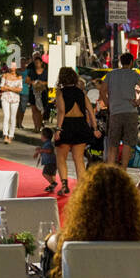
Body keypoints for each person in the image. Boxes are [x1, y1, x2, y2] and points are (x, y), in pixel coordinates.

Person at [101, 52, 140, 168]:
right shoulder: (134, 74)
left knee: (113, 144)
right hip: (130, 112)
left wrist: (108, 103)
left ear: (120, 62)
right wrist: (138, 102)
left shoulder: (111, 75)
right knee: (128, 143)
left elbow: (102, 90)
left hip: (115, 113)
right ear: (131, 62)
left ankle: (111, 170)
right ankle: (123, 169)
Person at [53, 66, 97, 195]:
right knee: (78, 159)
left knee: (61, 158)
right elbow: (90, 110)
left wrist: (58, 130)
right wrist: (94, 128)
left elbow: (61, 112)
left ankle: (65, 185)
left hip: (66, 125)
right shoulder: (81, 92)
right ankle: (82, 187)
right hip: (81, 125)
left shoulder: (60, 92)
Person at [0, 62, 23, 144]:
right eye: (11, 65)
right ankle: (5, 135)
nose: (12, 67)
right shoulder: (5, 75)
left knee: (13, 117)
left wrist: (9, 88)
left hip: (15, 99)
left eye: (14, 66)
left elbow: (20, 89)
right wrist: (13, 89)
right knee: (6, 116)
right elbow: (2, 87)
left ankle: (11, 135)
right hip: (6, 97)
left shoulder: (19, 76)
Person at [34, 126, 59, 191]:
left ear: (44, 136)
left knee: (45, 173)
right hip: (53, 162)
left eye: (41, 135)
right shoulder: (47, 143)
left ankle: (53, 183)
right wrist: (39, 151)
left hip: (50, 162)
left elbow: (49, 150)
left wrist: (41, 150)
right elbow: (45, 150)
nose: (41, 136)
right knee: (51, 174)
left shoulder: (48, 143)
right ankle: (52, 186)